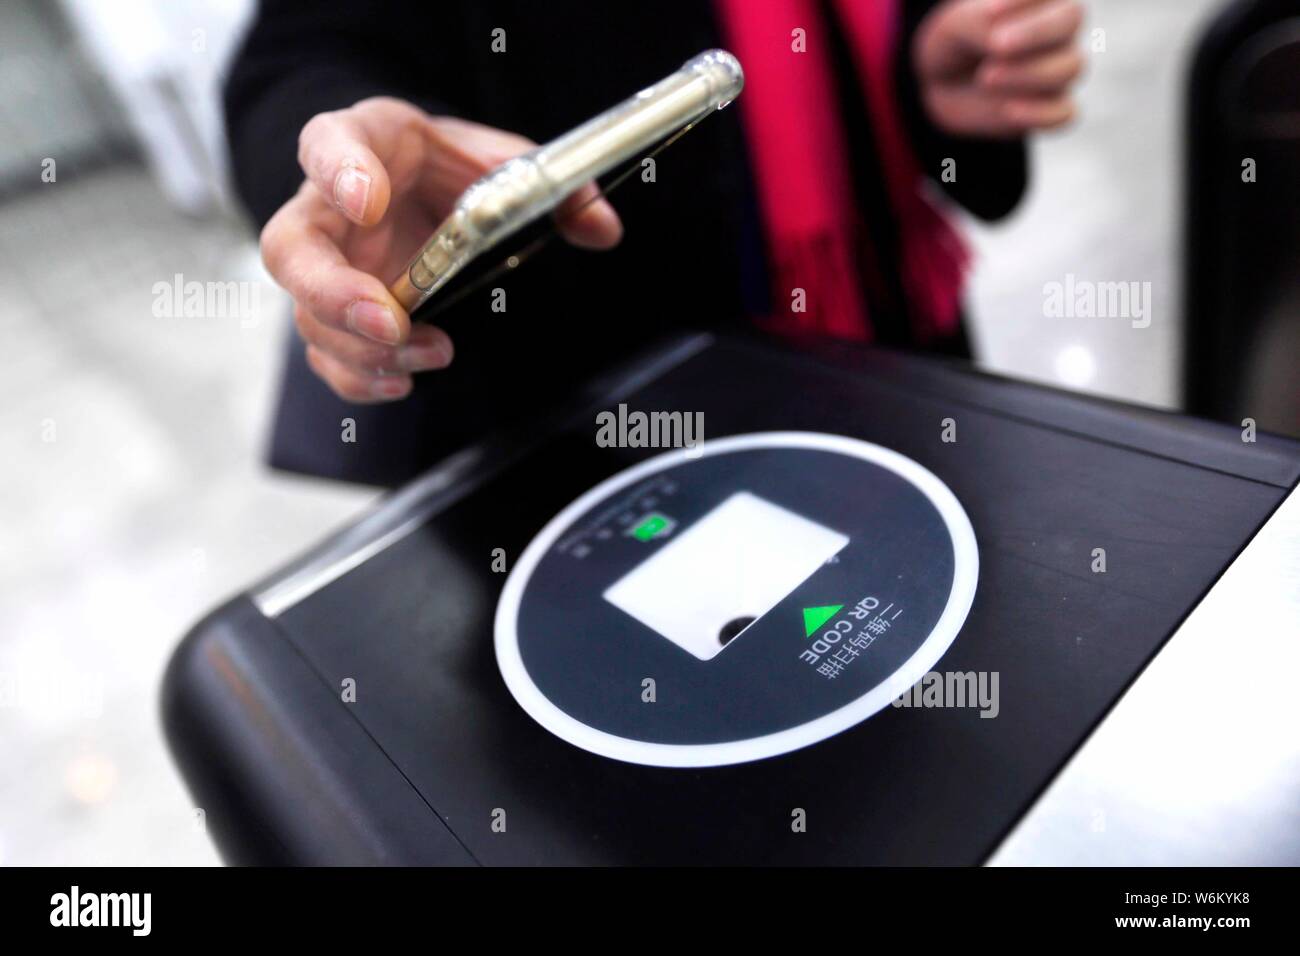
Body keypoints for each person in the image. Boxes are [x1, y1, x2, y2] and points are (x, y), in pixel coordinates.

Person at [227, 0, 1085, 486]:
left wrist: (930, 75)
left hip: (898, 364)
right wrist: (345, 158)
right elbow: (299, 56)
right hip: (595, 440)